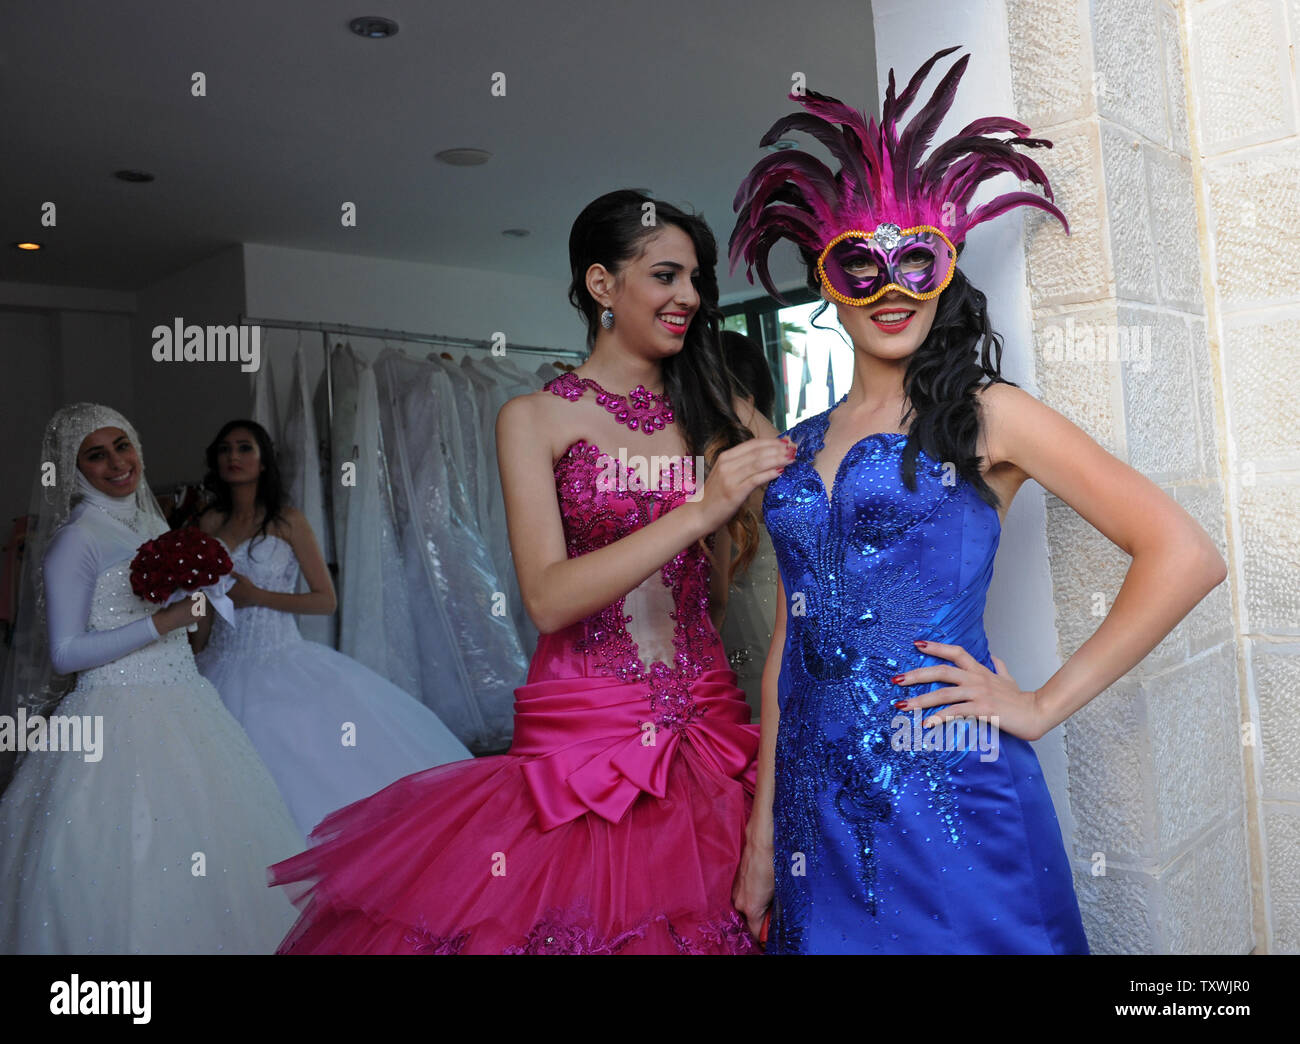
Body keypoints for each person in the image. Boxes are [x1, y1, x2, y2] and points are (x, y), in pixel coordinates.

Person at [728, 47, 1228, 954]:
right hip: (812, 807)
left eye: (916, 262)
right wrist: (765, 826)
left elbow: (1185, 553)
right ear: (827, 285)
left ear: (948, 267)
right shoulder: (796, 443)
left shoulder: (986, 415)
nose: (889, 289)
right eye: (859, 267)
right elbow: (785, 645)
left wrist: (1037, 703)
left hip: (947, 794)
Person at [266, 190, 793, 954]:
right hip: (588, 739)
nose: (690, 296)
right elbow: (547, 598)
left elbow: (725, 579)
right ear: (603, 285)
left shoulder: (716, 407)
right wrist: (699, 510)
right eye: (668, 275)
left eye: (697, 280)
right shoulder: (536, 418)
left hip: (711, 725)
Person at [0, 404, 301, 954]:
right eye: (97, 454)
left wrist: (193, 605)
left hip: (186, 701)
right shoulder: (78, 538)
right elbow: (66, 653)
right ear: (75, 469)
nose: (117, 462)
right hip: (113, 714)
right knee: (127, 863)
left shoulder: (148, 520)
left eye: (123, 445)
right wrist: (162, 621)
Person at [192, 420, 471, 836]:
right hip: (219, 662)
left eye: (245, 448)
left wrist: (258, 597)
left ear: (264, 461)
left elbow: (325, 600)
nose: (234, 457)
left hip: (281, 657)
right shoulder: (208, 524)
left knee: (305, 763)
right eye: (226, 449)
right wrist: (192, 643)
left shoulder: (287, 521)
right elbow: (205, 601)